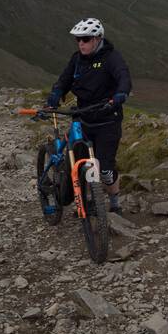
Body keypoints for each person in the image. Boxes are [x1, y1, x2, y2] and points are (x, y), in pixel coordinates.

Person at [46, 18, 132, 214]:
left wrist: (120, 94)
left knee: (105, 171)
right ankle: (84, 202)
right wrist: (55, 95)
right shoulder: (77, 59)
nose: (81, 43)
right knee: (80, 164)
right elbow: (64, 80)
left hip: (107, 120)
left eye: (85, 39)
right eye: (78, 39)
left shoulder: (112, 58)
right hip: (83, 119)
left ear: (97, 38)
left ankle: (114, 203)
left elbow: (123, 77)